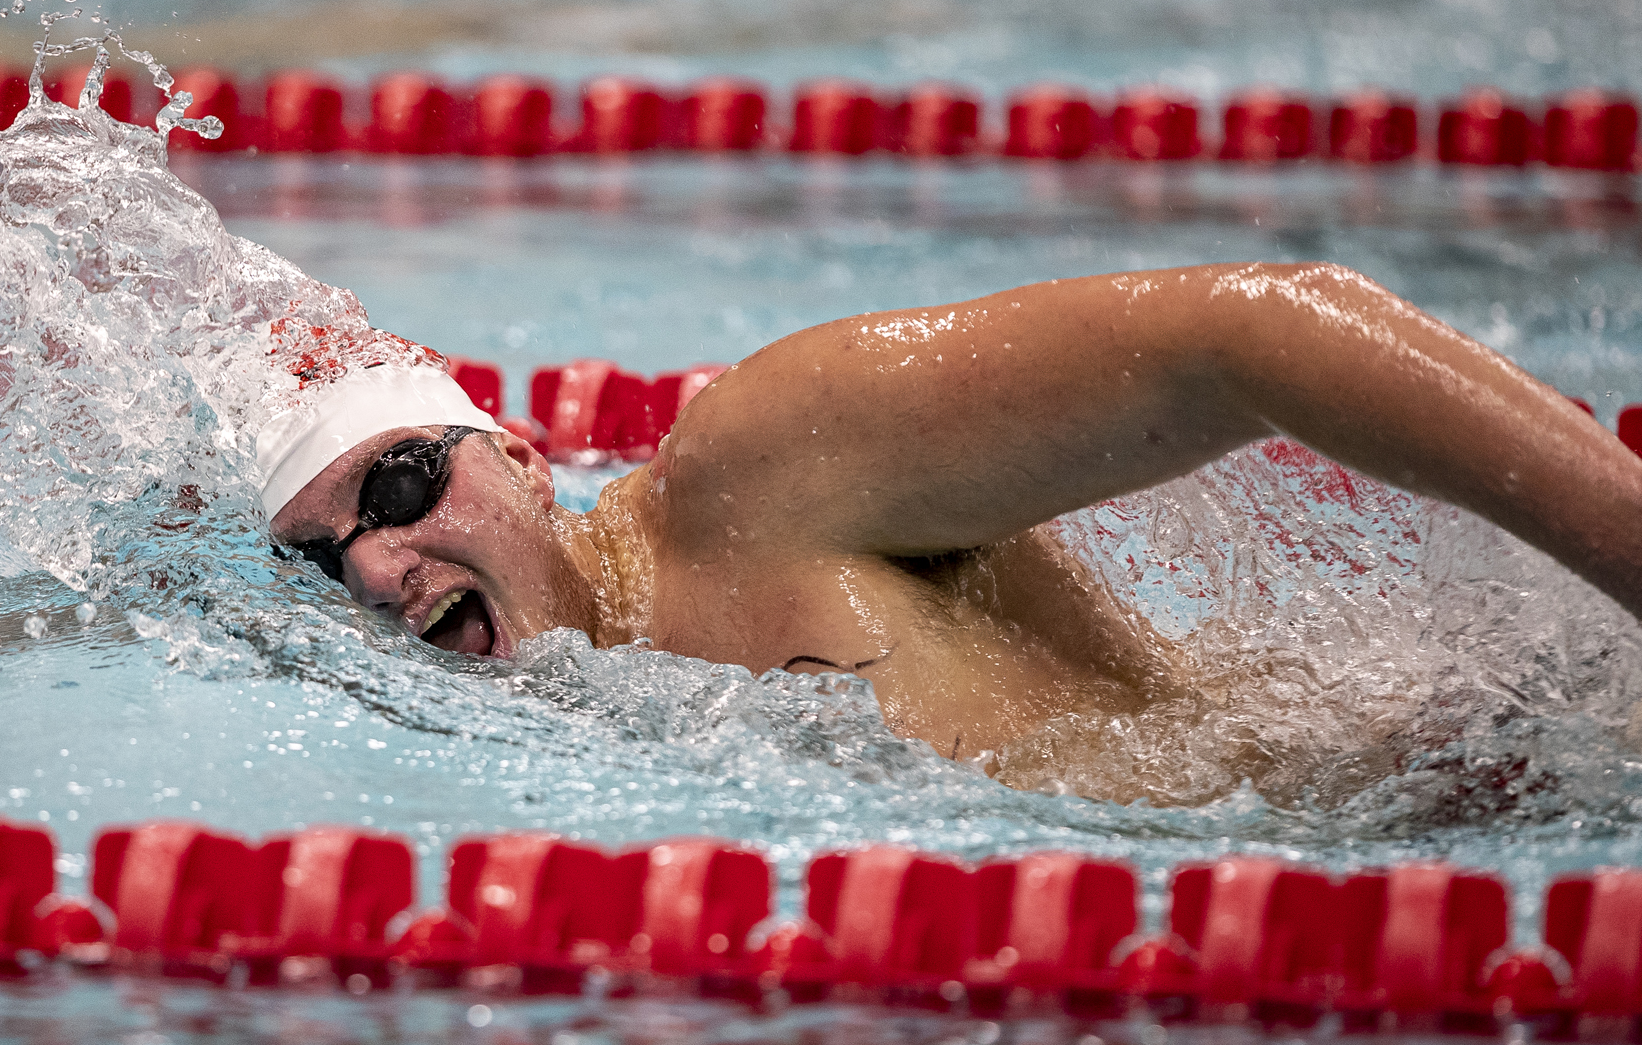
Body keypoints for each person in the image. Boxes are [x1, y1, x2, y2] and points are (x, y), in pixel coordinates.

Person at [264, 262, 1642, 770]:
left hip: (1462, 787)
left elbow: (1260, 333)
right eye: (327, 559)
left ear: (518, 455)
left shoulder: (760, 469)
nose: (377, 570)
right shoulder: (568, 705)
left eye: (399, 486)